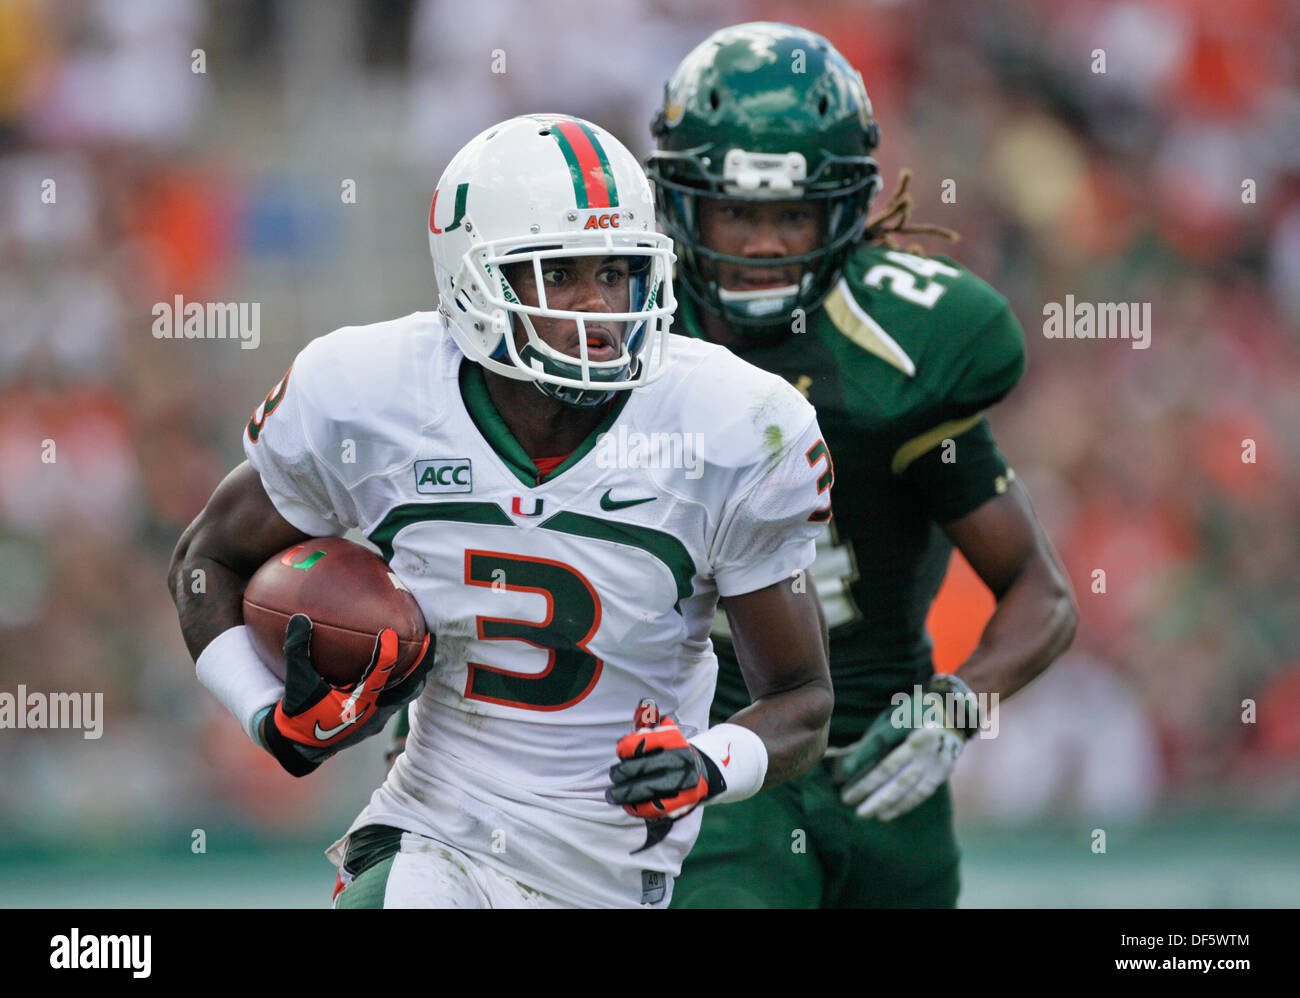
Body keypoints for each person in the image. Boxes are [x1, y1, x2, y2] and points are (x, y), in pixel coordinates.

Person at [168, 113, 834, 909]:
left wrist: (707, 763)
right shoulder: (370, 395)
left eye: (617, 272)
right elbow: (206, 566)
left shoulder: (733, 424)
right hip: (433, 834)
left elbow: (802, 700)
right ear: (474, 283)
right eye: (561, 275)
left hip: (609, 873)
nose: (600, 308)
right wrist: (269, 718)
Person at [647, 23, 1078, 908]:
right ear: (684, 204)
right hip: (718, 763)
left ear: (843, 209)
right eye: (738, 211)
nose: (763, 244)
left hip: (883, 762)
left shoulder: (901, 351)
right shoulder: (625, 346)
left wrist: (953, 709)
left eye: (790, 215)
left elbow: (1043, 590)